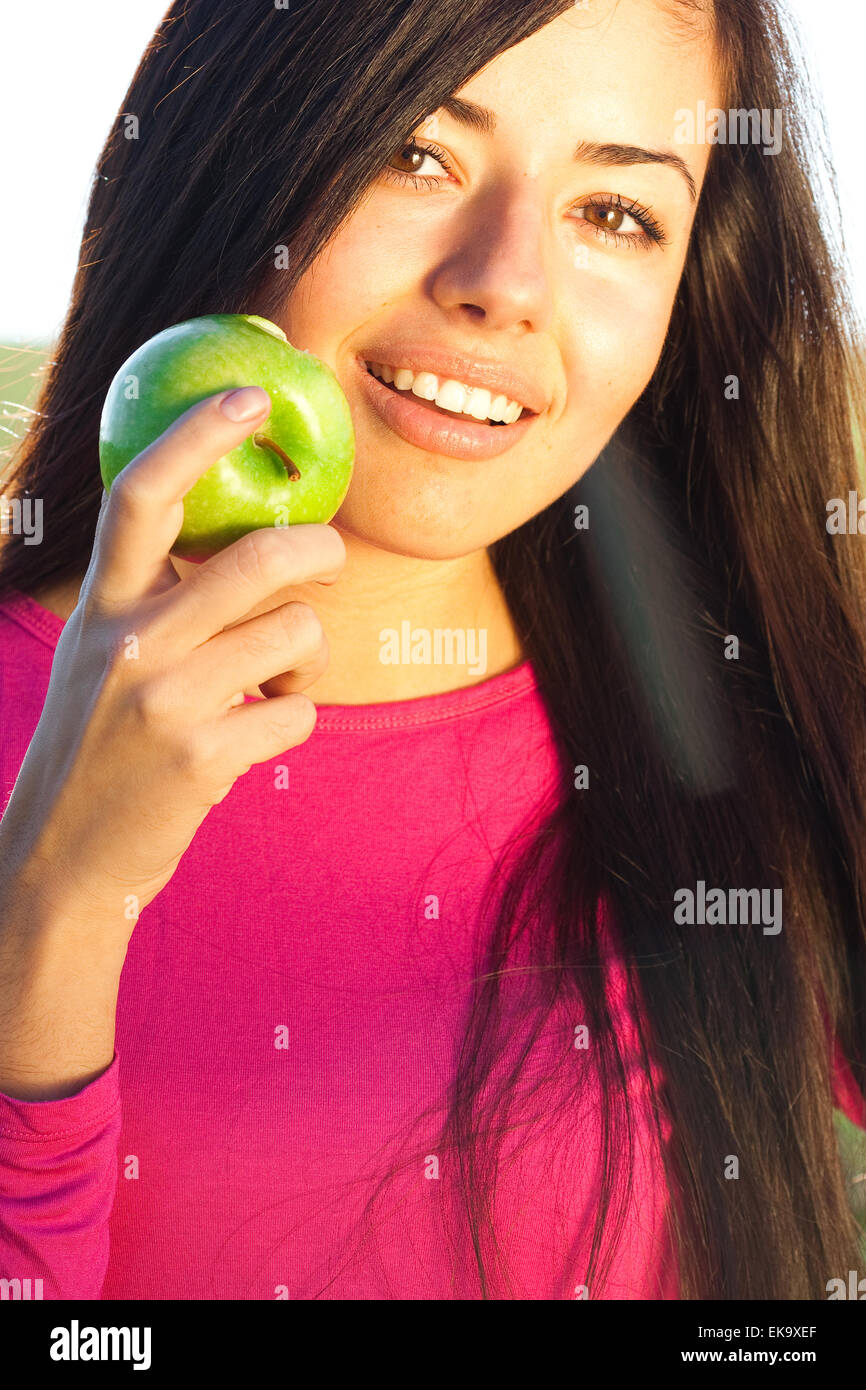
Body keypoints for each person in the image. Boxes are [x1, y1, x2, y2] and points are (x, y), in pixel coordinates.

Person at [0, 0, 864, 1300]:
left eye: (614, 214)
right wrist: (51, 915)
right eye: (416, 155)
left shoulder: (747, 704)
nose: (502, 282)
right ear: (237, 152)